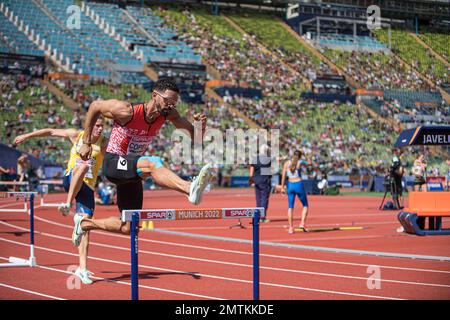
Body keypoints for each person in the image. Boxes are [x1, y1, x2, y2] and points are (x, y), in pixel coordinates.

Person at [75, 79, 212, 244]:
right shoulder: (127, 111)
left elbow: (196, 139)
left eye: (174, 103)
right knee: (153, 162)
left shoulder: (169, 114)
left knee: (129, 227)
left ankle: (84, 224)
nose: (170, 106)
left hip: (133, 171)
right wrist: (86, 142)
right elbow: (95, 106)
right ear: (155, 95)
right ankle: (189, 188)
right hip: (114, 162)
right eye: (167, 101)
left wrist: (199, 128)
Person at [14, 118, 107, 284]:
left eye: (102, 126)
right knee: (83, 166)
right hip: (70, 179)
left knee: (85, 227)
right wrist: (27, 135)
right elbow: (50, 131)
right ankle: (67, 203)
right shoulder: (76, 135)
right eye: (97, 126)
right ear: (90, 125)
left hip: (87, 188)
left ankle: (82, 269)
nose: (100, 129)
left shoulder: (104, 142)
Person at [277, 150, 309, 234]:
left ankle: (291, 227)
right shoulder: (300, 162)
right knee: (305, 205)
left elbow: (283, 176)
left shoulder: (287, 163)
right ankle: (302, 223)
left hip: (290, 185)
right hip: (298, 184)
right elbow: (309, 163)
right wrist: (305, 155)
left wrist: (282, 187)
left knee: (290, 207)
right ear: (300, 156)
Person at [248, 145, 272, 223]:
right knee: (264, 199)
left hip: (256, 180)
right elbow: (268, 171)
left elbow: (251, 170)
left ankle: (258, 215)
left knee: (258, 199)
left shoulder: (255, 159)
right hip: (264, 181)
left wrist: (251, 180)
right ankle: (263, 216)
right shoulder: (268, 159)